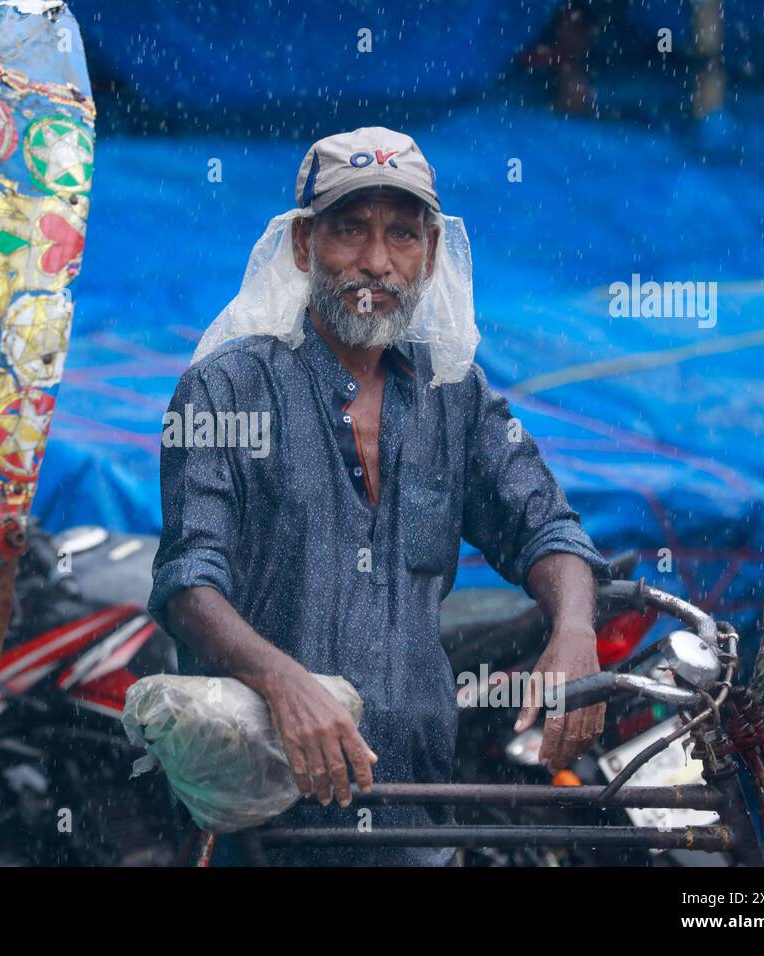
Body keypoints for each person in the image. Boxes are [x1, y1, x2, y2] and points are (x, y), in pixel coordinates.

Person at [149, 127, 610, 865]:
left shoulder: (451, 392)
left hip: (416, 816)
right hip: (267, 821)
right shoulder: (224, 387)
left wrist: (574, 634)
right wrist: (283, 681)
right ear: (304, 246)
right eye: (350, 230)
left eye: (401, 235)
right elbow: (187, 583)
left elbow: (547, 527)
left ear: (429, 254)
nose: (376, 261)